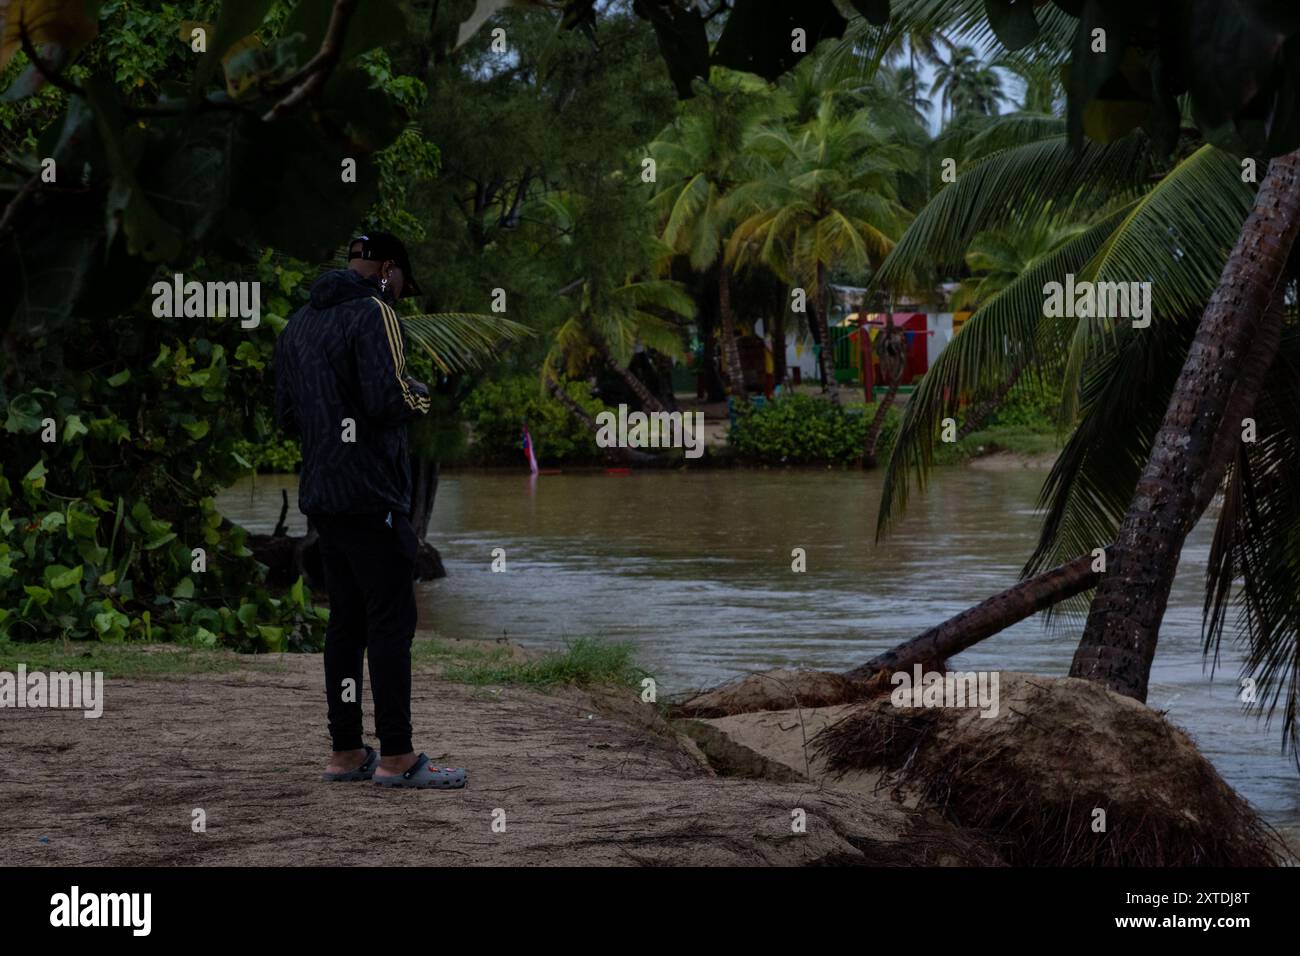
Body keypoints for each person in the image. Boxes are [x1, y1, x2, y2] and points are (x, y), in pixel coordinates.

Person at [274, 231, 467, 790]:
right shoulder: (374, 310)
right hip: (373, 495)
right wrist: (422, 391)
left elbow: (287, 416)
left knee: (345, 625)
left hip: (324, 497)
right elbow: (390, 400)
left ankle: (345, 752)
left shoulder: (298, 323)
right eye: (402, 281)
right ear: (387, 268)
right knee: (391, 622)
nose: (402, 293)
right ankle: (398, 758)